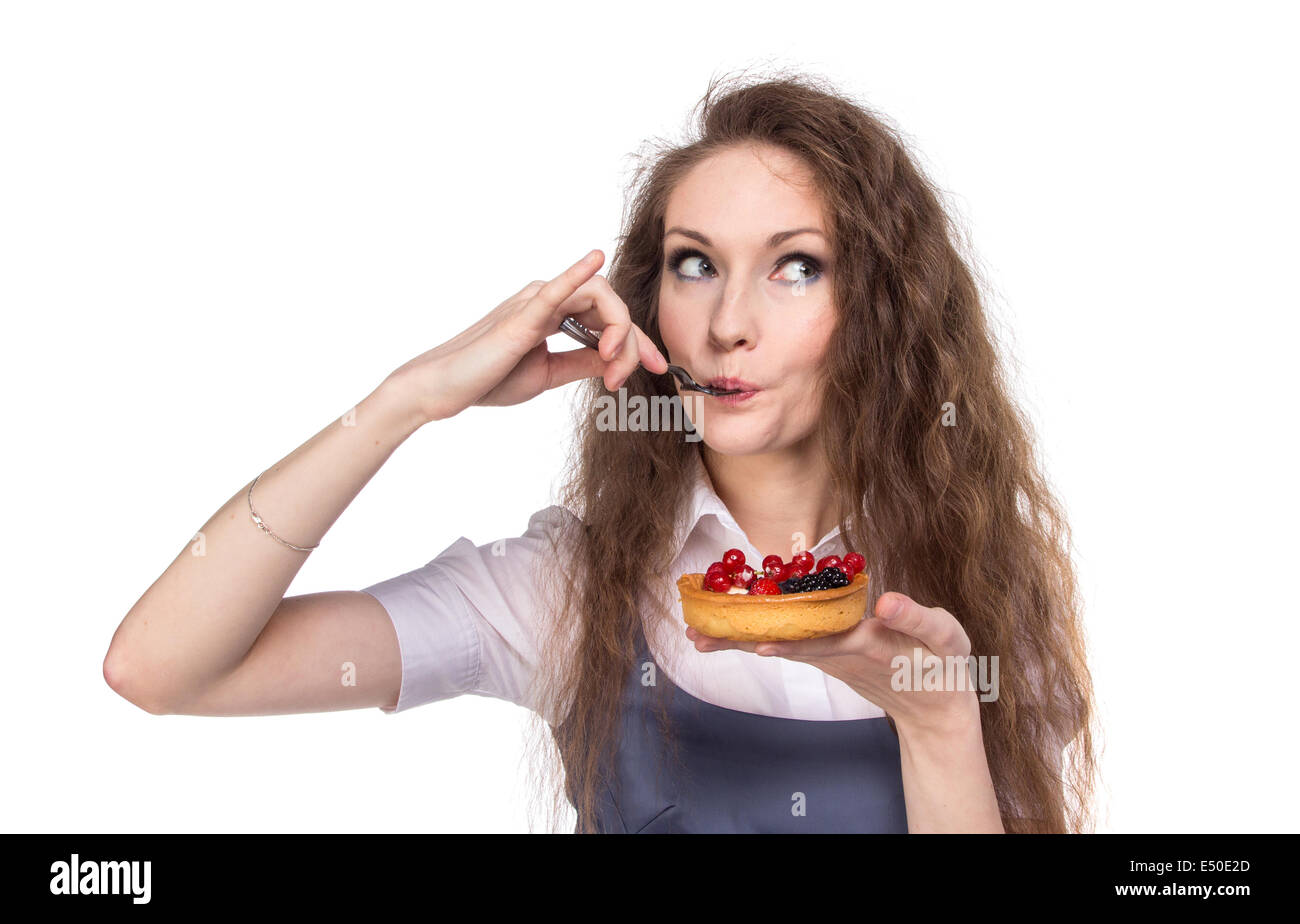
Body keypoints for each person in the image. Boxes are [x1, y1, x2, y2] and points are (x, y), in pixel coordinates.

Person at [103, 70, 1099, 834]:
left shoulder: (984, 586)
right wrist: (405, 402)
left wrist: (934, 724)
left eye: (795, 267)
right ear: (652, 300)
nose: (727, 323)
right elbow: (162, 670)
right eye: (694, 265)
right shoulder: (568, 592)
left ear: (879, 311)